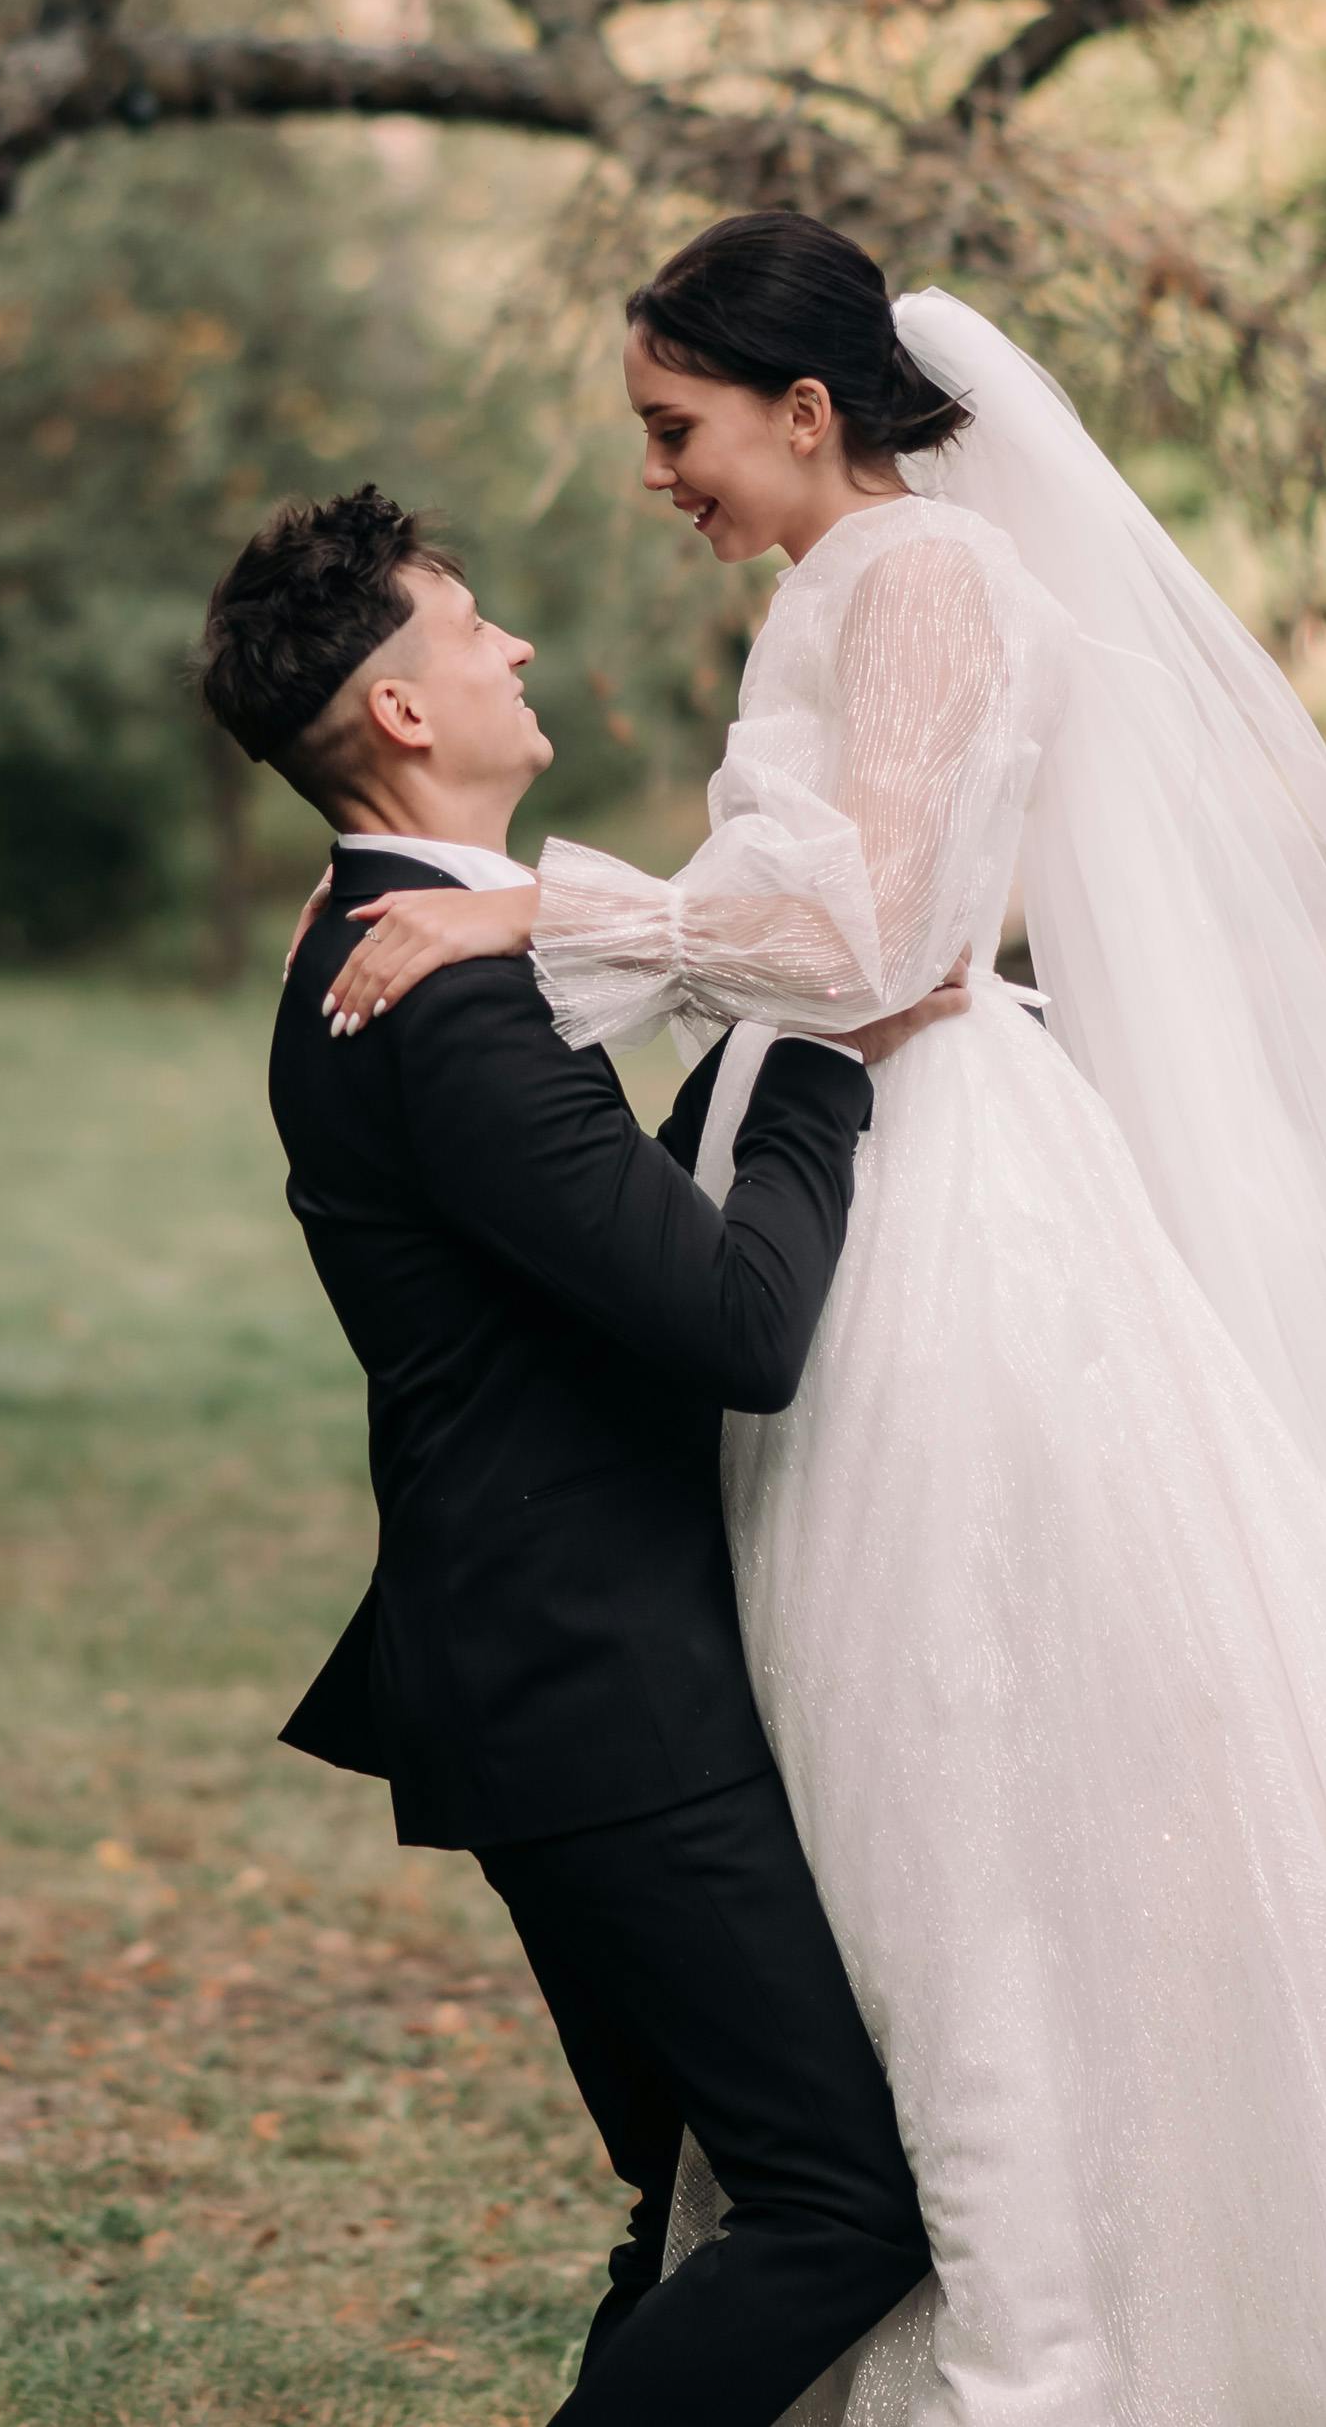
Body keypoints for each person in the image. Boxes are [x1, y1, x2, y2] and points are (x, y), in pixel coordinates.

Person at [319, 211, 1326, 2426]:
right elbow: (824, 929)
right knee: (877, 1722)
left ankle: (1063, 2303)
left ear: (804, 410)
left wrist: (538, 913)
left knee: (975, 1718)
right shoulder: (837, 586)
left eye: (674, 427)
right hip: (827, 1140)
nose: (657, 474)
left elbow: (877, 920)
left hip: (937, 1191)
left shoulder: (922, 576)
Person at [197, 485, 967, 2426]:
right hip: (589, 1677)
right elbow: (733, 1325)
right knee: (830, 2199)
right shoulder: (435, 991)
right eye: (468, 627)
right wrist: (821, 1047)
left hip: (535, 1651)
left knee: (698, 2190)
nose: (512, 646)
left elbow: (589, 1214)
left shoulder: (385, 934)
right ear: (395, 709)